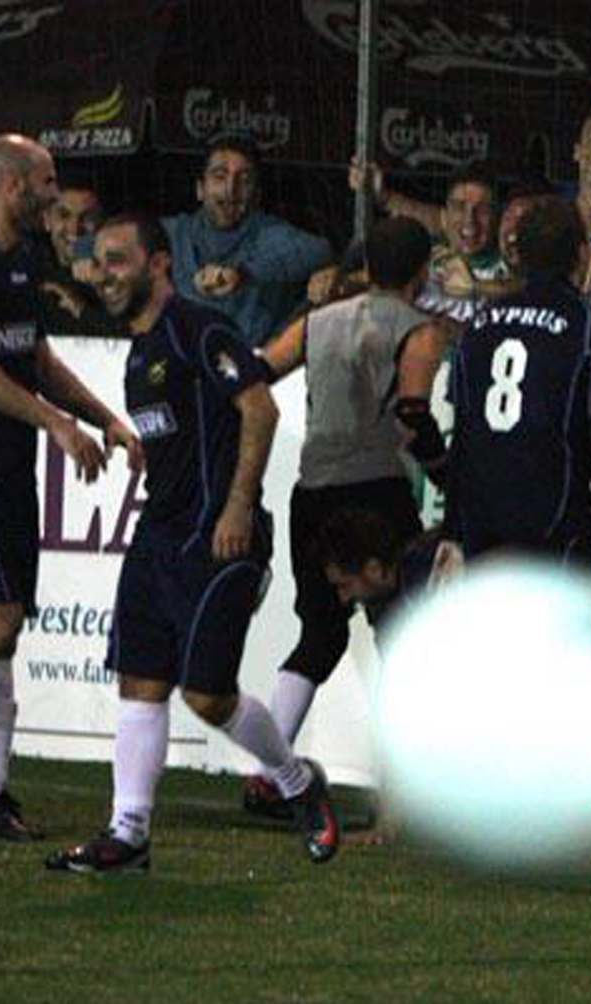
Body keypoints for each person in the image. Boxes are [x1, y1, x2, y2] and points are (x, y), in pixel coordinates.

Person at [44, 212, 337, 872]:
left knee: (207, 695)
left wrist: (236, 505)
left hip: (217, 536)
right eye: (101, 261)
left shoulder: (198, 328)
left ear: (158, 265)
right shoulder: (141, 349)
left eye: (120, 260)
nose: (106, 274)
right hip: (159, 533)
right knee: (141, 681)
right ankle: (128, 834)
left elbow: (258, 407)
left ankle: (296, 783)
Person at [0, 134, 142, 842]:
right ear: (12, 184)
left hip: (8, 471)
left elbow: (36, 358)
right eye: (47, 181)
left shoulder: (25, 260)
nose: (56, 196)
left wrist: (104, 418)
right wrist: (58, 426)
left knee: (0, 634)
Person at [241, 216, 450, 819]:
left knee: (321, 631)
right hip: (375, 491)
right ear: (423, 272)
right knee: (406, 635)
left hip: (313, 490)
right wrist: (446, 477)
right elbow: (412, 411)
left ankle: (269, 774)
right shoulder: (418, 330)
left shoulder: (318, 322)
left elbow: (258, 373)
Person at [437, 196, 591, 588]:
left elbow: (464, 436)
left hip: (482, 526)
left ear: (517, 255)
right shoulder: (590, 330)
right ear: (581, 253)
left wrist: (452, 531)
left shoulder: (479, 326)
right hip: (552, 525)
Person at [162, 135, 332, 347]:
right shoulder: (175, 232)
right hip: (179, 363)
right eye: (219, 176)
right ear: (200, 189)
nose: (230, 189)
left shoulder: (268, 231)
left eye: (243, 180)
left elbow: (319, 251)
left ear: (257, 195)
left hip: (249, 368)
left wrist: (244, 274)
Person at [37, 174, 124, 339]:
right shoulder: (30, 272)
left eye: (86, 217)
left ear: (101, 222)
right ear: (47, 220)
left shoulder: (122, 274)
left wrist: (83, 309)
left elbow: (137, 343)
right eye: (64, 215)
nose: (75, 228)